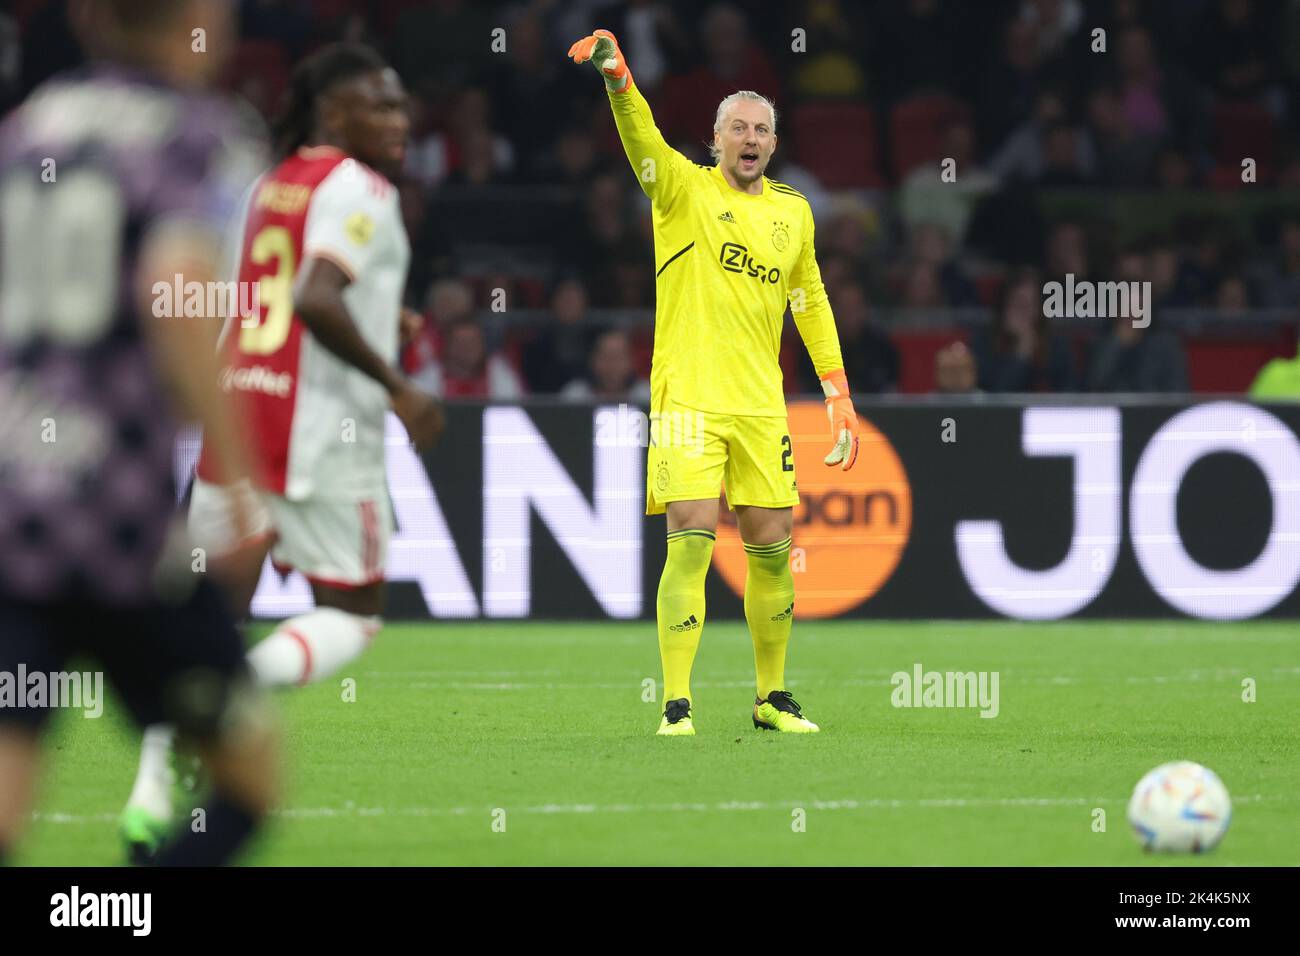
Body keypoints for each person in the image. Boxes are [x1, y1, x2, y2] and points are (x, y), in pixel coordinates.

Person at [118, 41, 443, 860]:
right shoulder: (362, 187)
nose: (401, 121)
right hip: (321, 434)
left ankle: (150, 794)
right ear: (334, 113)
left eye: (401, 104)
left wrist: (385, 318)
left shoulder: (265, 183)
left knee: (209, 624)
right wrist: (398, 383)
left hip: (235, 424)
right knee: (352, 617)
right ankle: (235, 699)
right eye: (383, 104)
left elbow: (254, 294)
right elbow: (315, 296)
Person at [0, 0, 276, 867]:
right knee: (247, 784)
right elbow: (175, 283)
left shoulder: (27, 130)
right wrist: (233, 477)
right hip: (123, 526)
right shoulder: (200, 132)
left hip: (12, 509)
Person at [568, 30, 861, 736]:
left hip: (760, 404)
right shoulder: (681, 191)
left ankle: (772, 697)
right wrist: (618, 78)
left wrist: (837, 390)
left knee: (771, 543)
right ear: (716, 138)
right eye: (739, 127)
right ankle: (676, 703)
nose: (751, 137)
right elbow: (642, 138)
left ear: (774, 141)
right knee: (692, 537)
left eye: (762, 128)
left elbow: (811, 298)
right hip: (686, 398)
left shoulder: (793, 211)